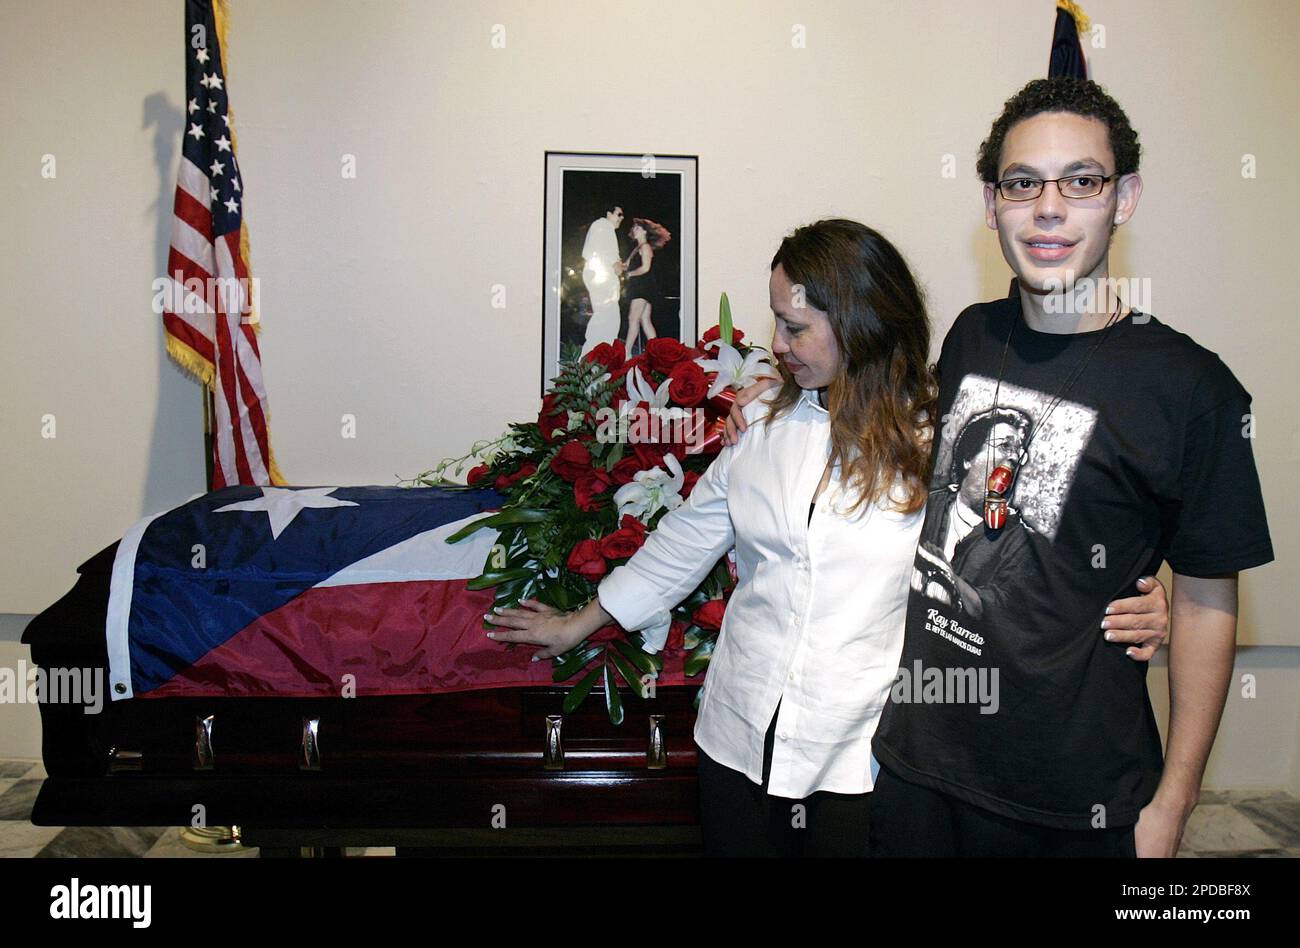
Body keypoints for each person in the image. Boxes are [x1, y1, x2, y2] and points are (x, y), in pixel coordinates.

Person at [486, 218, 1170, 857]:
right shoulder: (763, 429)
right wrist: (578, 624)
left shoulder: (944, 439)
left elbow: (1032, 548)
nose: (777, 345)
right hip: (737, 741)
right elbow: (685, 542)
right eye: (777, 322)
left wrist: (1144, 597)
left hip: (862, 762)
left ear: (860, 326)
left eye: (795, 327)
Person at [730, 78, 1269, 858]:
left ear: (1124, 197)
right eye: (1023, 184)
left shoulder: (1194, 390)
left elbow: (1210, 599)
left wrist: (1174, 804)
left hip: (1075, 801)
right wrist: (772, 397)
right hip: (917, 774)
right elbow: (887, 432)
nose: (1049, 207)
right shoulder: (972, 337)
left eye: (1082, 181)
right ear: (992, 204)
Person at [580, 204, 625, 357]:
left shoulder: (599, 227)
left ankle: (595, 356)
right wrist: (617, 265)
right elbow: (609, 255)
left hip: (598, 276)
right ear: (608, 213)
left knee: (606, 317)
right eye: (619, 214)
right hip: (602, 278)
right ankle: (592, 356)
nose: (621, 218)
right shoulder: (604, 226)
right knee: (608, 319)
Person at [621, 217, 672, 355]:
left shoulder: (645, 247)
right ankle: (657, 352)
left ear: (644, 232)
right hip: (640, 287)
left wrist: (629, 274)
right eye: (634, 227)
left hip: (642, 288)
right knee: (645, 320)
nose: (634, 229)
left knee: (633, 318)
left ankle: (626, 353)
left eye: (638, 228)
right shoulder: (637, 248)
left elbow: (645, 268)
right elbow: (625, 265)